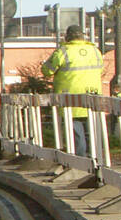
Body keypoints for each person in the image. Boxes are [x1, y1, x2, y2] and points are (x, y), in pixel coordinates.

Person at [41, 25, 103, 156]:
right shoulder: (95, 51)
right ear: (83, 36)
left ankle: (80, 162)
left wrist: (47, 61)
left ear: (67, 37)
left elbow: (47, 71)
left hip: (70, 98)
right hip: (93, 96)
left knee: (76, 133)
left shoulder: (63, 51)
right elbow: (100, 69)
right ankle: (96, 160)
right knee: (92, 132)